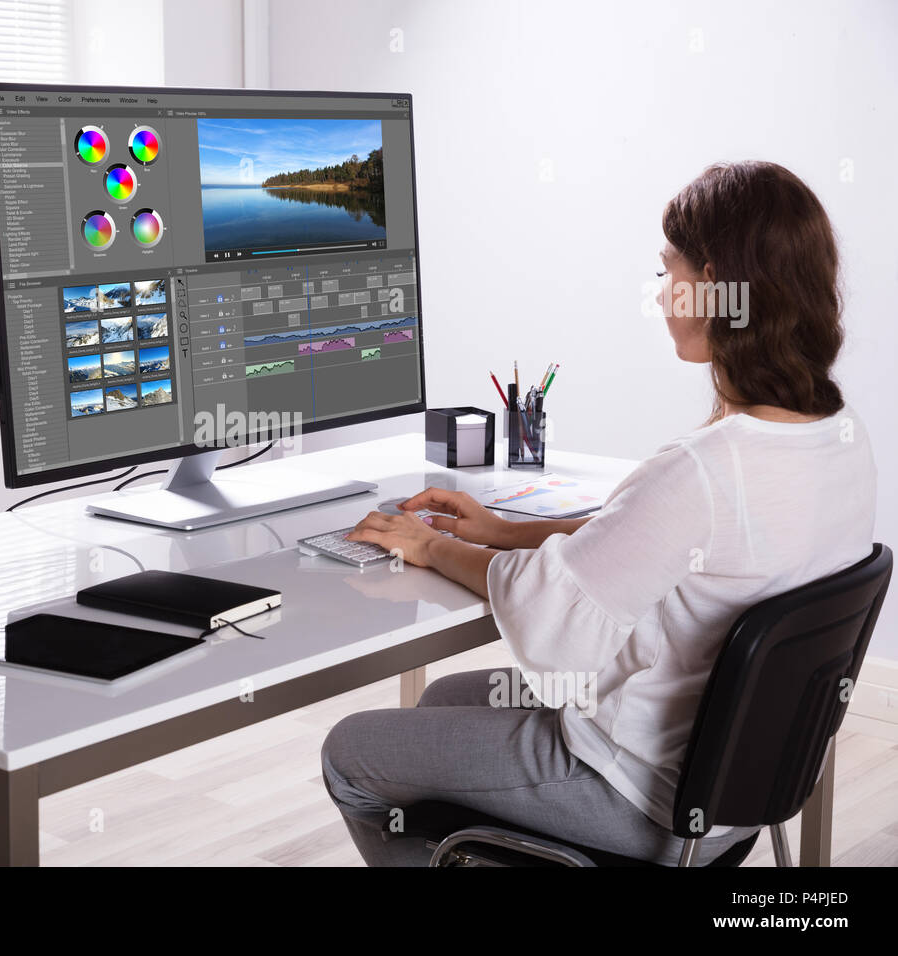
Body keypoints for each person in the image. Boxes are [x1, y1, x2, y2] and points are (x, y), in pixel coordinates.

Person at [322, 161, 877, 866]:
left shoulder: (704, 470)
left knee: (351, 751)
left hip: (641, 793)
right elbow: (642, 543)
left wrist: (431, 549)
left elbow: (556, 619)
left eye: (666, 272)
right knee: (443, 701)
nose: (659, 294)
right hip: (740, 785)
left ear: (714, 285)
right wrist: (501, 531)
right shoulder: (836, 437)